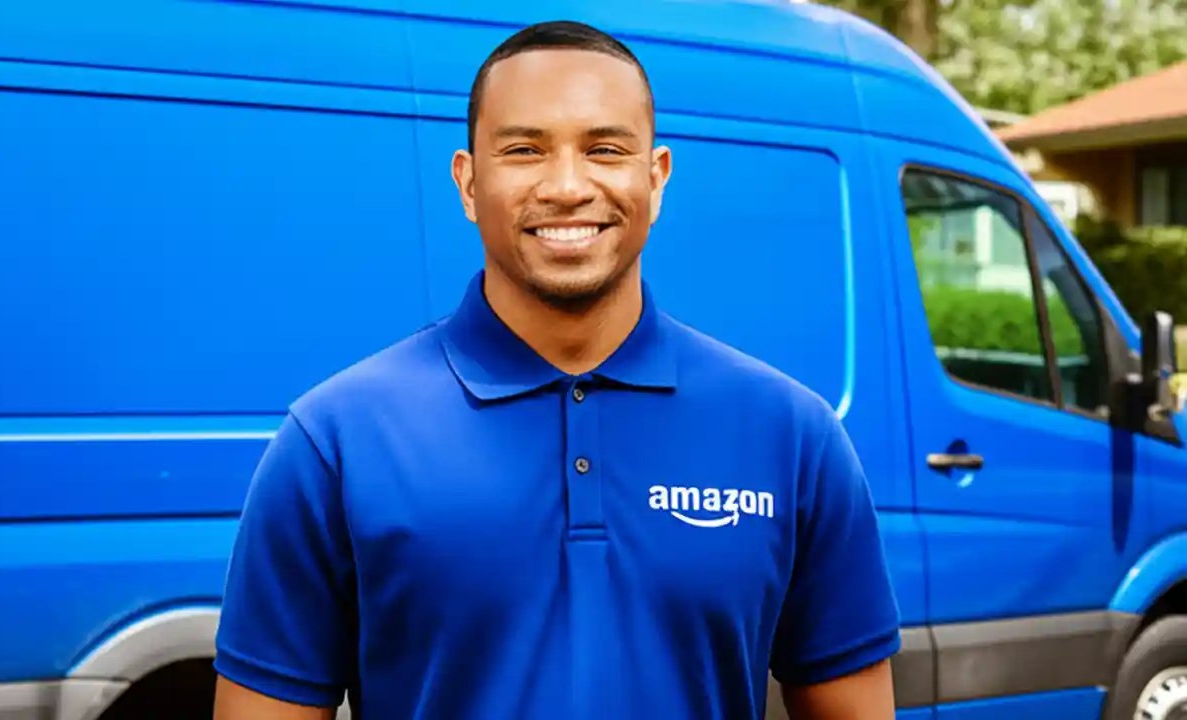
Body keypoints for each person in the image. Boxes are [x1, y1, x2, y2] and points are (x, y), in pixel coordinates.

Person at [212, 19, 900, 720]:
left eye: (604, 148)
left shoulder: (790, 435)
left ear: (655, 178)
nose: (567, 186)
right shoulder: (336, 441)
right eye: (523, 150)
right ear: (469, 182)